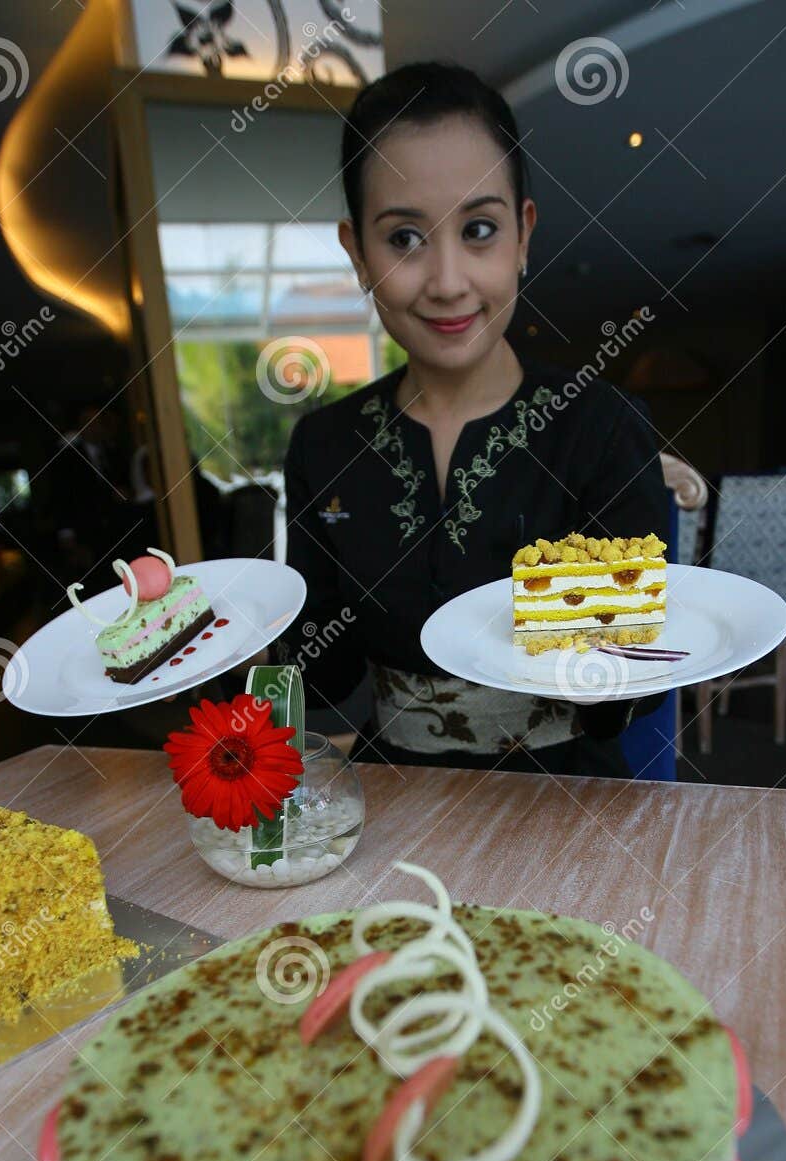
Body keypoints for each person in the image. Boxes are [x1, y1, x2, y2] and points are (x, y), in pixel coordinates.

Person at [281, 61, 667, 776]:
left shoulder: (601, 426)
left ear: (522, 235)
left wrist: (607, 617)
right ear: (356, 253)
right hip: (392, 800)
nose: (448, 281)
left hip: (571, 799)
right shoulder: (323, 446)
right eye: (403, 239)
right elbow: (325, 678)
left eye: (479, 229)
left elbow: (630, 691)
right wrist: (233, 631)